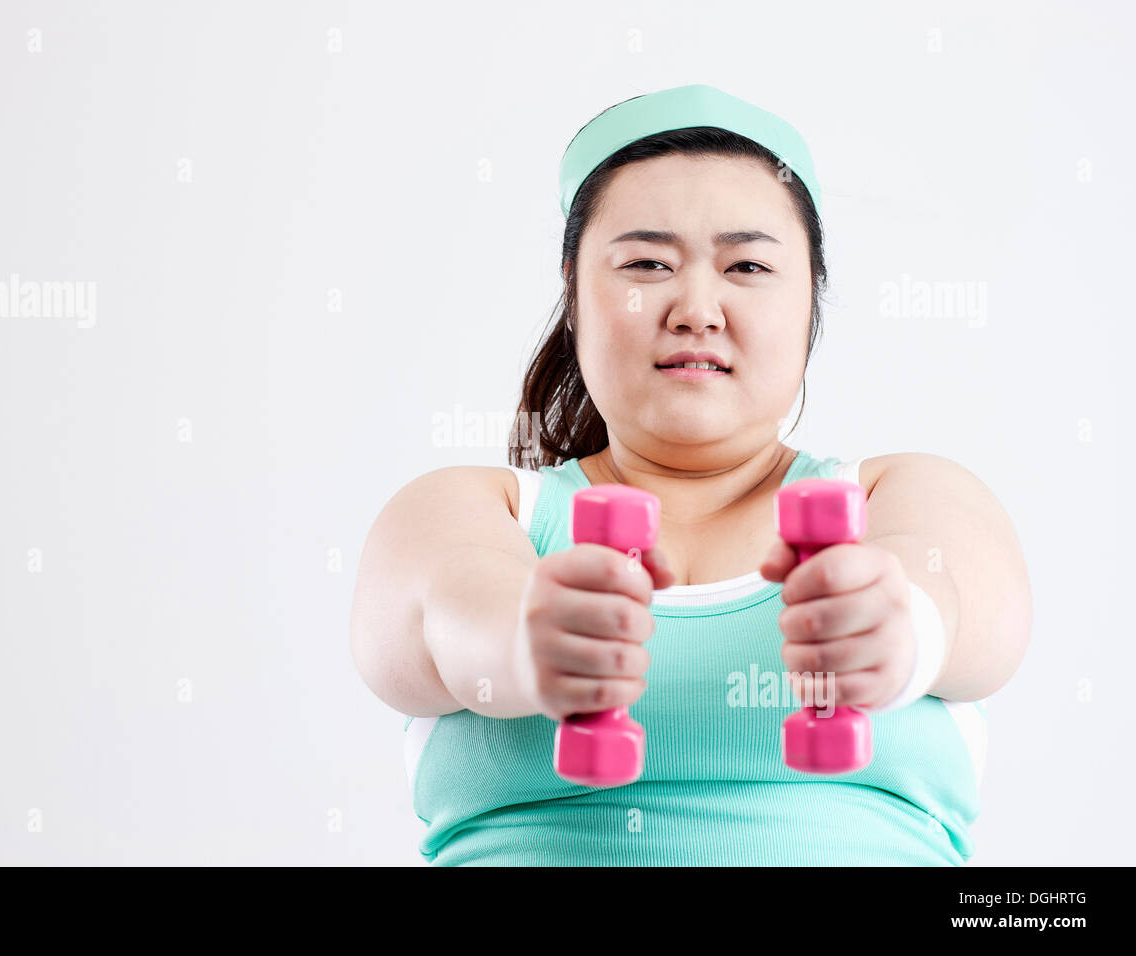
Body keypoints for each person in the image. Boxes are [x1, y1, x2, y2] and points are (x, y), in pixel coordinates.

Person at [350, 84, 1032, 866]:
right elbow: (437, 615)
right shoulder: (474, 510)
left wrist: (899, 627)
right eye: (647, 263)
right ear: (573, 293)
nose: (697, 309)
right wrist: (525, 639)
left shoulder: (901, 497)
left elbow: (981, 610)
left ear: (812, 304)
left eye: (747, 264)